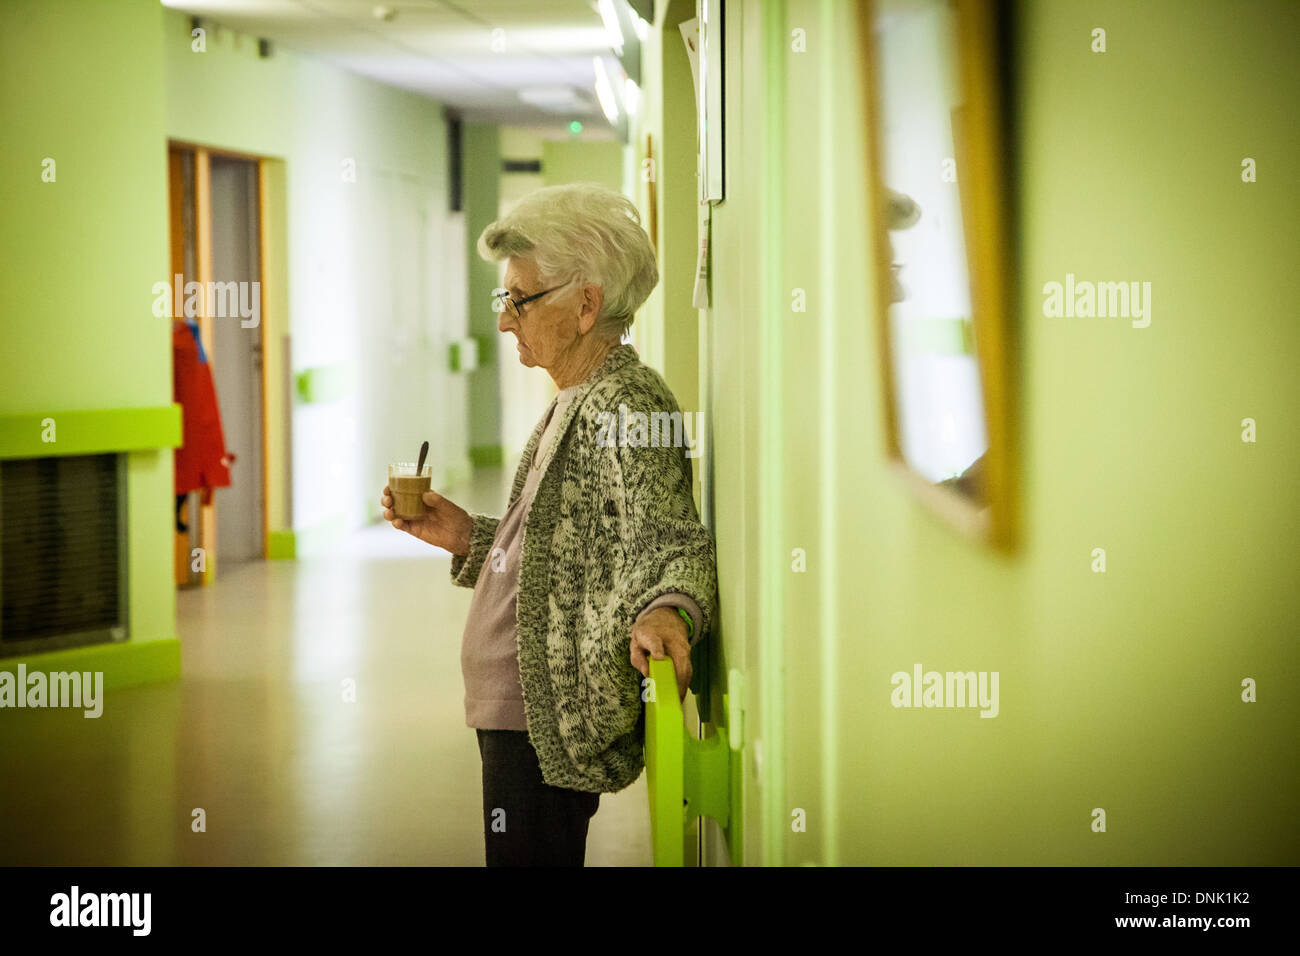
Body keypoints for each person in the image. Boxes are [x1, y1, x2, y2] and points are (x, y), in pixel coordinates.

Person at [380, 182, 718, 866]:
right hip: (517, 709)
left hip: (541, 717)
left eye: (519, 299)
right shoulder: (578, 397)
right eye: (503, 300)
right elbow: (560, 552)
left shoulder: (625, 402)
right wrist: (469, 538)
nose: (506, 321)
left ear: (586, 304)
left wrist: (668, 614)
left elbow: (672, 544)